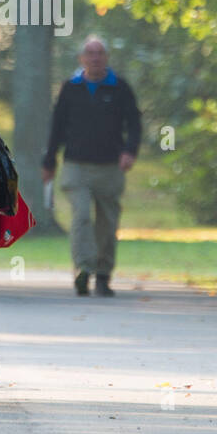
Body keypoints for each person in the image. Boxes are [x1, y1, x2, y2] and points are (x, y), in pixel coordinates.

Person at [42, 35, 142, 296]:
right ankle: (83, 269)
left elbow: (134, 123)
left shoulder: (120, 87)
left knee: (107, 223)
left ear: (106, 58)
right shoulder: (70, 87)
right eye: (90, 53)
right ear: (82, 58)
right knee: (82, 216)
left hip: (110, 166)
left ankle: (103, 274)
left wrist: (130, 151)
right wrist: (50, 160)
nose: (95, 58)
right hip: (76, 166)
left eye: (100, 53)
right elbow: (57, 126)